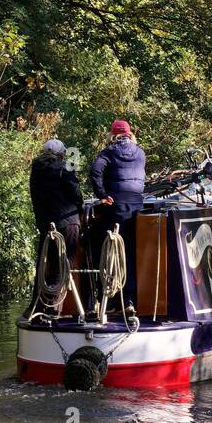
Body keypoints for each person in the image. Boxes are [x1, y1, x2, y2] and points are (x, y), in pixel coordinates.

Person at [89, 120, 147, 314]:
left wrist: (102, 195)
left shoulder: (109, 152)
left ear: (112, 135)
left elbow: (95, 171)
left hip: (115, 206)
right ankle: (130, 300)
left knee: (109, 250)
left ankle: (109, 300)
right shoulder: (140, 152)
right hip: (137, 207)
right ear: (130, 134)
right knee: (130, 252)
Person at [29, 139, 85, 309]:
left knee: (45, 264)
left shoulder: (36, 171)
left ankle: (37, 306)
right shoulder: (65, 168)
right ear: (61, 153)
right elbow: (76, 194)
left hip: (45, 223)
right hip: (67, 222)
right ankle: (54, 308)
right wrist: (81, 208)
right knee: (63, 263)